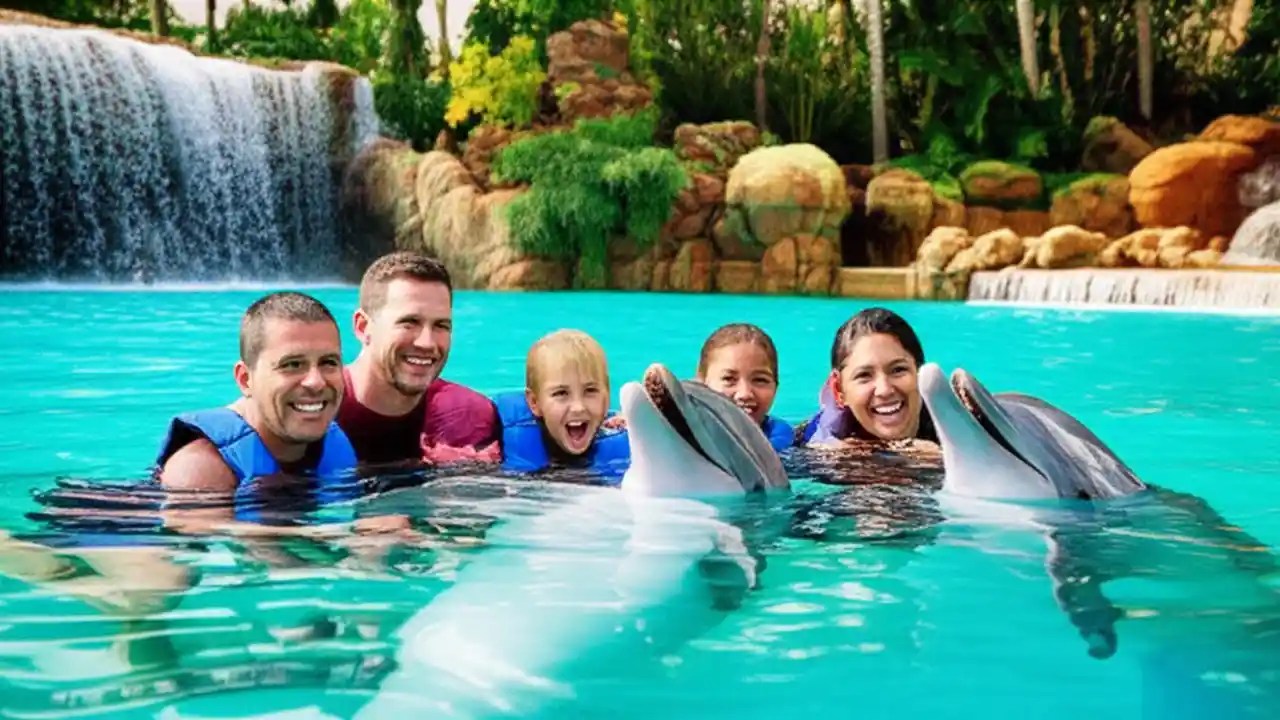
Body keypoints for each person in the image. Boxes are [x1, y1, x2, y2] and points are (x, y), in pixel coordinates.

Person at [155, 291, 357, 495]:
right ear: (245, 379)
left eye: (328, 362)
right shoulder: (202, 468)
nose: (316, 382)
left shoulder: (334, 443)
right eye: (293, 364)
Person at [338, 251, 501, 468]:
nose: (427, 343)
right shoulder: (321, 410)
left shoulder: (469, 414)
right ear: (363, 327)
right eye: (409, 322)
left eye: (441, 326)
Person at [492, 329, 630, 482]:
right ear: (534, 403)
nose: (578, 407)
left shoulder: (621, 435)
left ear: (607, 397)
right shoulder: (501, 434)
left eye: (590, 390)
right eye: (561, 393)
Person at [801, 307, 937, 444]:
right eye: (864, 375)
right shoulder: (812, 451)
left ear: (921, 375)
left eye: (898, 370)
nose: (884, 390)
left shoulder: (951, 424)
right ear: (838, 390)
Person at [695, 323, 797, 452]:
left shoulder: (783, 440)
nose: (745, 394)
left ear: (775, 387)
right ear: (701, 383)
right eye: (729, 379)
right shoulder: (685, 428)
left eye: (760, 380)